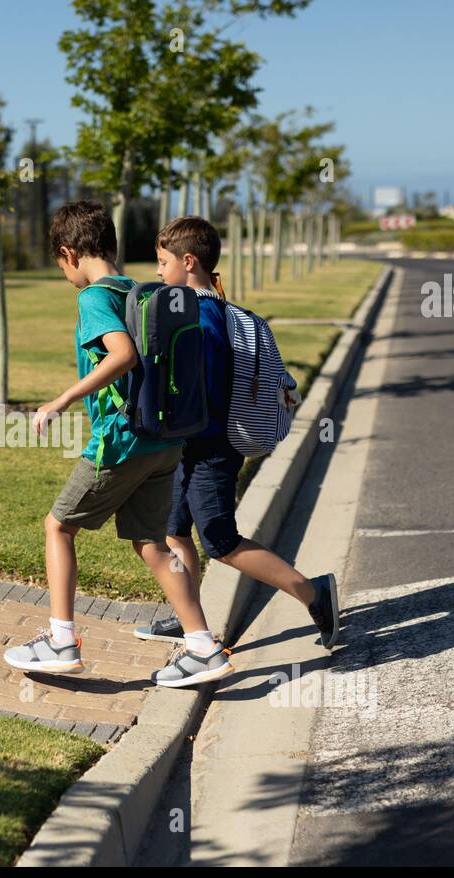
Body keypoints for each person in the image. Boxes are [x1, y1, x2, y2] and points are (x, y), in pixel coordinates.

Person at [1, 201, 234, 688]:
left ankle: (61, 640)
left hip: (121, 443)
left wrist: (61, 399)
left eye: (61, 265)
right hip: (164, 442)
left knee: (58, 527)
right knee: (150, 543)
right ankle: (202, 647)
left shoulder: (93, 299)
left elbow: (123, 355)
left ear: (69, 253)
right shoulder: (141, 288)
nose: (65, 273)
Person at [133, 216, 340, 648]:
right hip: (189, 446)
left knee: (220, 540)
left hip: (211, 448)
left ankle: (314, 592)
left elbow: (204, 392)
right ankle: (192, 621)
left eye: (162, 262)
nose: (158, 272)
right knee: (173, 531)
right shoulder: (209, 310)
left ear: (188, 262)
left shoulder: (201, 316)